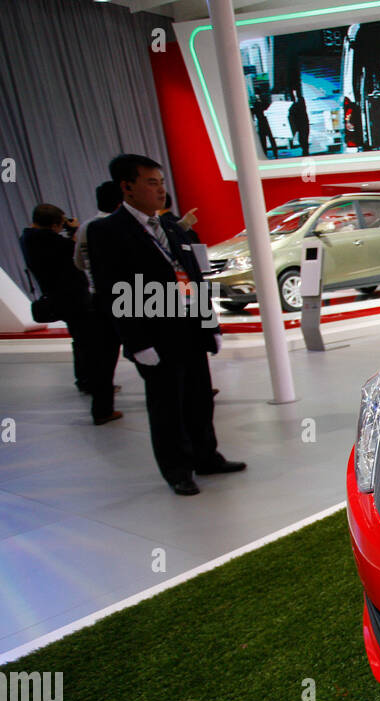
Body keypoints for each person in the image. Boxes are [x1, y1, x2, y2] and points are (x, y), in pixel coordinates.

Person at [88, 153, 244, 496]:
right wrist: (136, 342)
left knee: (200, 398)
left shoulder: (171, 226)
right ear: (127, 187)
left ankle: (207, 457)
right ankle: (177, 469)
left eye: (161, 182)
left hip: (189, 326)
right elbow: (113, 290)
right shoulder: (107, 231)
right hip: (155, 333)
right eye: (151, 183)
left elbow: (194, 276)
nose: (160, 190)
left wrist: (211, 325)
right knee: (166, 405)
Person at [21, 203, 121, 425]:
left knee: (82, 341)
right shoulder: (51, 241)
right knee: (95, 347)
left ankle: (85, 380)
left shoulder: (28, 238)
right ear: (55, 224)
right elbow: (78, 253)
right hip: (73, 299)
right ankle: (98, 394)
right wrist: (74, 231)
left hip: (60, 298)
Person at [72, 180, 125, 408]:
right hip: (125, 297)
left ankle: (102, 406)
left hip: (98, 296)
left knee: (103, 354)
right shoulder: (117, 226)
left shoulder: (85, 226)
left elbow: (79, 262)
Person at [288, 88, 309, 157]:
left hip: (304, 122)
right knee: (301, 139)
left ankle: (305, 152)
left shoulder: (301, 100)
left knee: (304, 138)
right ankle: (305, 151)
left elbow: (298, 108)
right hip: (298, 123)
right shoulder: (293, 102)